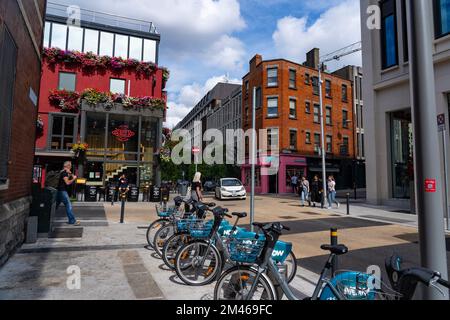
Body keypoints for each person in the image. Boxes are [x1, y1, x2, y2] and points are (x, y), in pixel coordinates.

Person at [56, 161, 79, 225]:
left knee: (54, 206)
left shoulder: (62, 172)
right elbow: (67, 183)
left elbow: (65, 181)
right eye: (70, 166)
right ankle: (72, 221)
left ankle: (47, 217)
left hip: (59, 191)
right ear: (68, 166)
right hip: (62, 192)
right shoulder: (64, 173)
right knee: (68, 205)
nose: (71, 167)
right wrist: (73, 178)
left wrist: (70, 174)